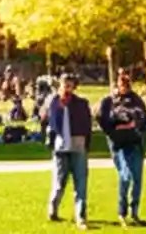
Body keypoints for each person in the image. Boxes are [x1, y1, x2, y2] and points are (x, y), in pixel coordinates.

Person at [97, 69, 146, 227]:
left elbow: (143, 118)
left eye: (127, 84)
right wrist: (114, 130)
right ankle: (122, 212)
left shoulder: (136, 100)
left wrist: (135, 126)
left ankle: (134, 212)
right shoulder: (109, 101)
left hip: (135, 142)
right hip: (119, 144)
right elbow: (101, 118)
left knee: (137, 179)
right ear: (117, 84)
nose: (125, 87)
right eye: (122, 84)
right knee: (125, 176)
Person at [45, 73, 91, 230]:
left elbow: (87, 126)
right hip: (60, 147)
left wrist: (86, 145)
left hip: (78, 145)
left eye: (69, 85)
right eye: (64, 85)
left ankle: (81, 216)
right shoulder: (54, 103)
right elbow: (49, 122)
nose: (67, 88)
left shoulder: (81, 104)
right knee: (59, 182)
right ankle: (53, 209)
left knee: (81, 184)